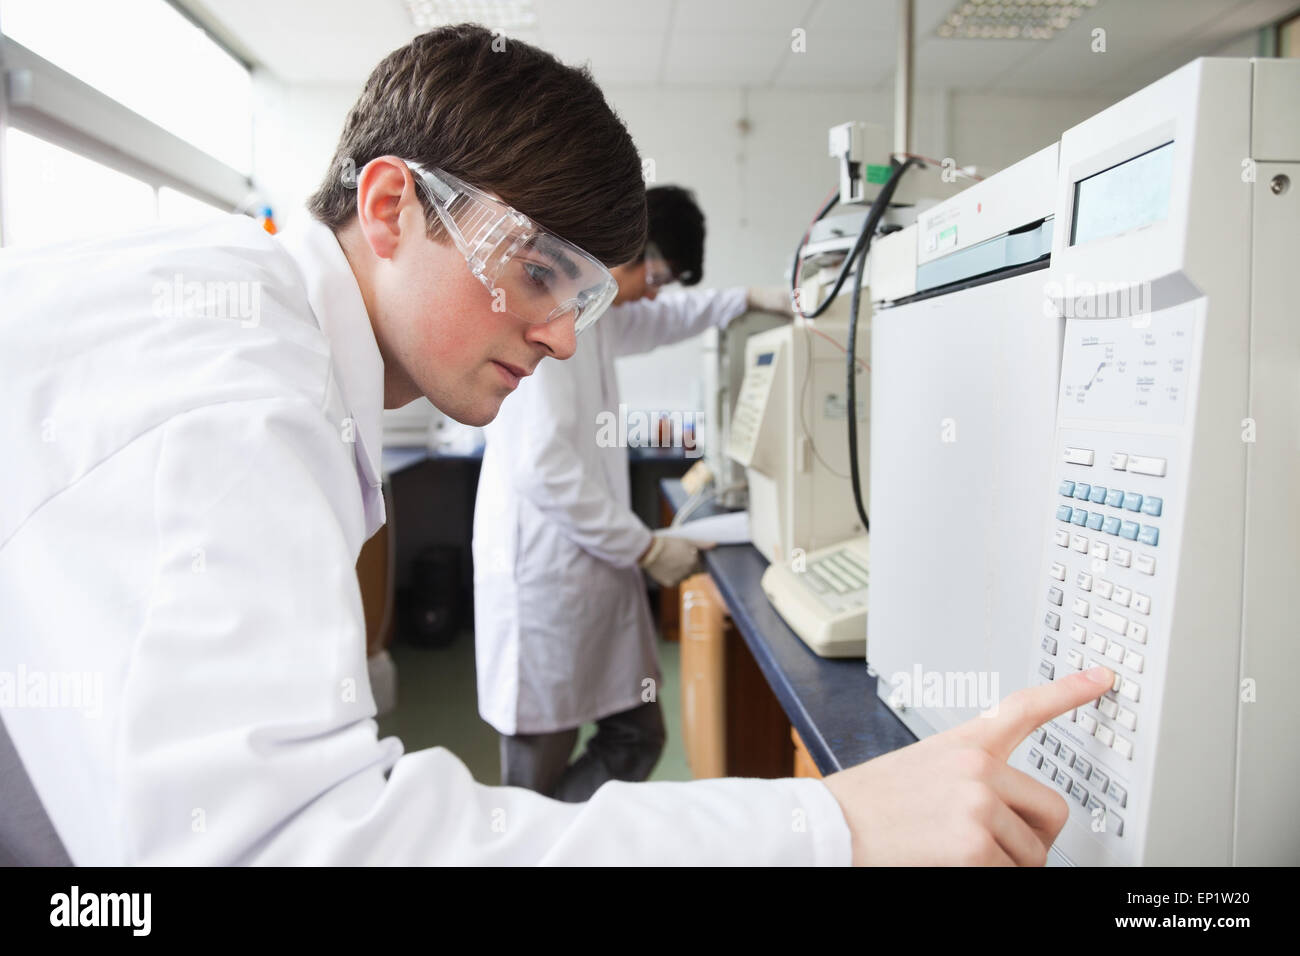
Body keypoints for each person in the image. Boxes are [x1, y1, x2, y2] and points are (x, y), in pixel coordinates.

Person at [0, 23, 1111, 865]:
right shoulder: (237, 389)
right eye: (538, 274)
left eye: (583, 300)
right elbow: (291, 845)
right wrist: (832, 825)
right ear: (389, 207)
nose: (558, 334)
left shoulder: (271, 331)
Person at [472, 184, 786, 800]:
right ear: (629, 248)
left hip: (588, 570)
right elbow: (543, 469)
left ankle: (557, 842)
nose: (657, 290)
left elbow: (671, 319)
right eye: (659, 273)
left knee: (637, 738)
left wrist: (751, 298)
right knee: (530, 787)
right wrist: (643, 548)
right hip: (543, 579)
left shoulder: (598, 316)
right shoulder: (551, 314)